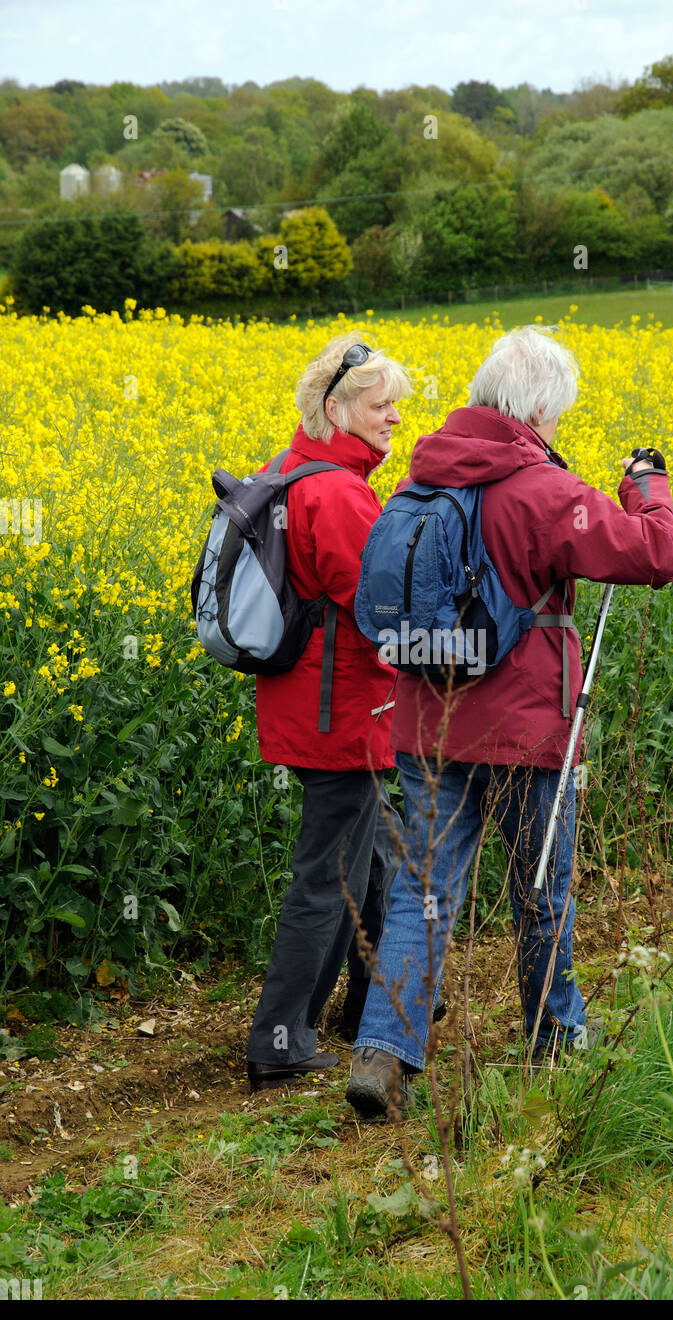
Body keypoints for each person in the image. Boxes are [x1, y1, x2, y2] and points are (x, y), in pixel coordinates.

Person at [345, 326, 673, 1120]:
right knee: (542, 891)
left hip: (428, 725)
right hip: (526, 736)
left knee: (425, 892)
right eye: (556, 416)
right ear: (535, 408)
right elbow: (656, 557)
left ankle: (382, 1053)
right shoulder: (541, 491)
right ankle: (553, 1036)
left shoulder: (417, 482)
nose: (556, 430)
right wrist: (647, 486)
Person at [247, 334, 411, 1092]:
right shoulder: (338, 492)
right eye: (381, 408)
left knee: (376, 853)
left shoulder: (290, 470)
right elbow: (374, 607)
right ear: (336, 407)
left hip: (317, 699)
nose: (393, 421)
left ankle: (373, 1007)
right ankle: (279, 1038)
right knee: (327, 876)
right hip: (338, 710)